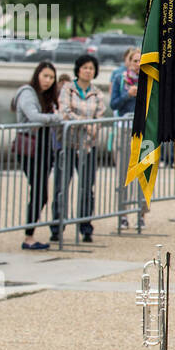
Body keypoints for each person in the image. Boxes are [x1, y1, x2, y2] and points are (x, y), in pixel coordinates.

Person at [54, 54, 107, 242]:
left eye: (91, 68)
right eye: (85, 67)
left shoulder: (97, 93)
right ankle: (57, 226)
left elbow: (100, 116)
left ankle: (85, 226)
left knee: (87, 187)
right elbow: (65, 112)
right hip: (68, 144)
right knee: (61, 186)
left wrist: (92, 126)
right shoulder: (68, 89)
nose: (88, 71)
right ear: (78, 69)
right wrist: (85, 123)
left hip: (87, 146)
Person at [12, 61, 64, 249]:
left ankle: (30, 234)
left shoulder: (46, 96)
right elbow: (33, 116)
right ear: (37, 75)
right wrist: (56, 118)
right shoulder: (27, 92)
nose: (48, 81)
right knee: (39, 192)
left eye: (51, 77)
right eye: (45, 76)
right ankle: (28, 236)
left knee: (41, 192)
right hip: (30, 147)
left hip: (43, 147)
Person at [110, 48, 146, 230]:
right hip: (125, 129)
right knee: (123, 174)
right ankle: (122, 213)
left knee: (143, 174)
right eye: (135, 61)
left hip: (144, 130)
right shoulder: (120, 79)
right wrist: (128, 94)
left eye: (141, 61)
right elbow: (113, 104)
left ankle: (141, 213)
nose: (138, 64)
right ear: (129, 62)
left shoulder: (149, 79)